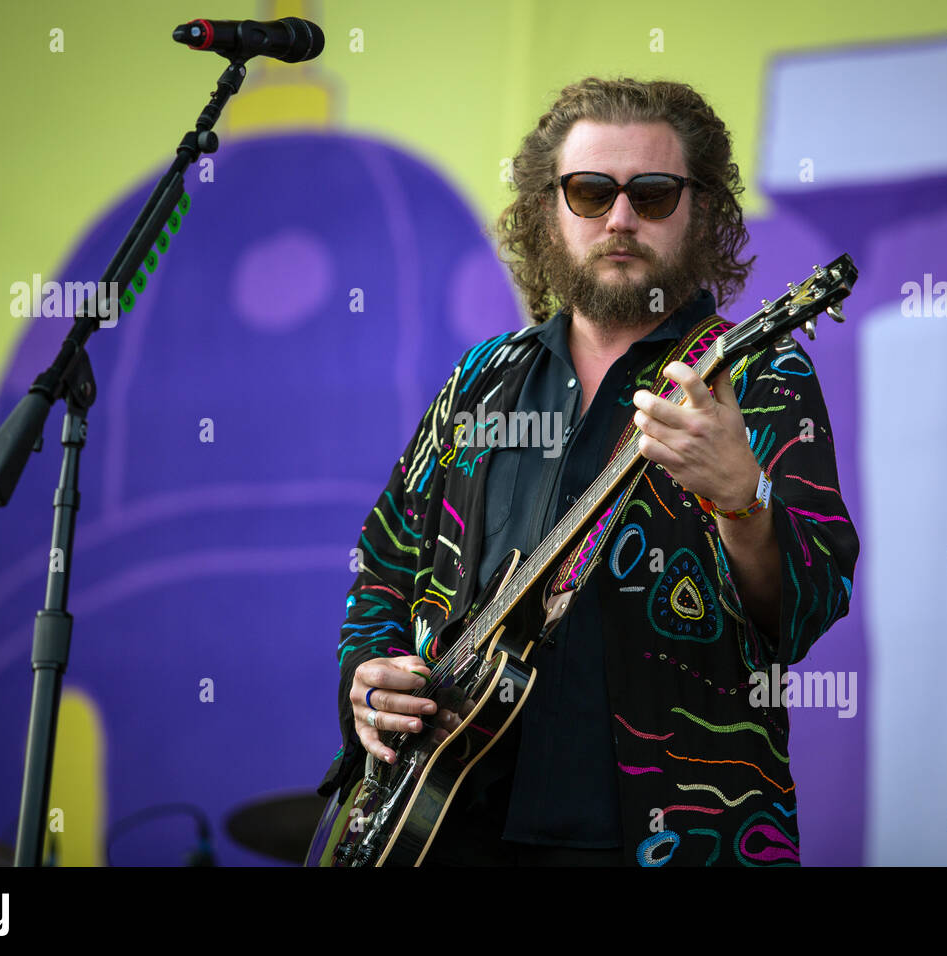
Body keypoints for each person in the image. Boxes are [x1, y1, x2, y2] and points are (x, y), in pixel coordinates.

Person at [315, 76, 859, 867]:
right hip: (447, 830)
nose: (621, 217)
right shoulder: (481, 381)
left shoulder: (760, 375)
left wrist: (742, 500)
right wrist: (367, 683)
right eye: (590, 190)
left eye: (655, 194)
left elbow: (809, 605)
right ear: (548, 210)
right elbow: (383, 570)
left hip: (673, 834)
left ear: (702, 211)